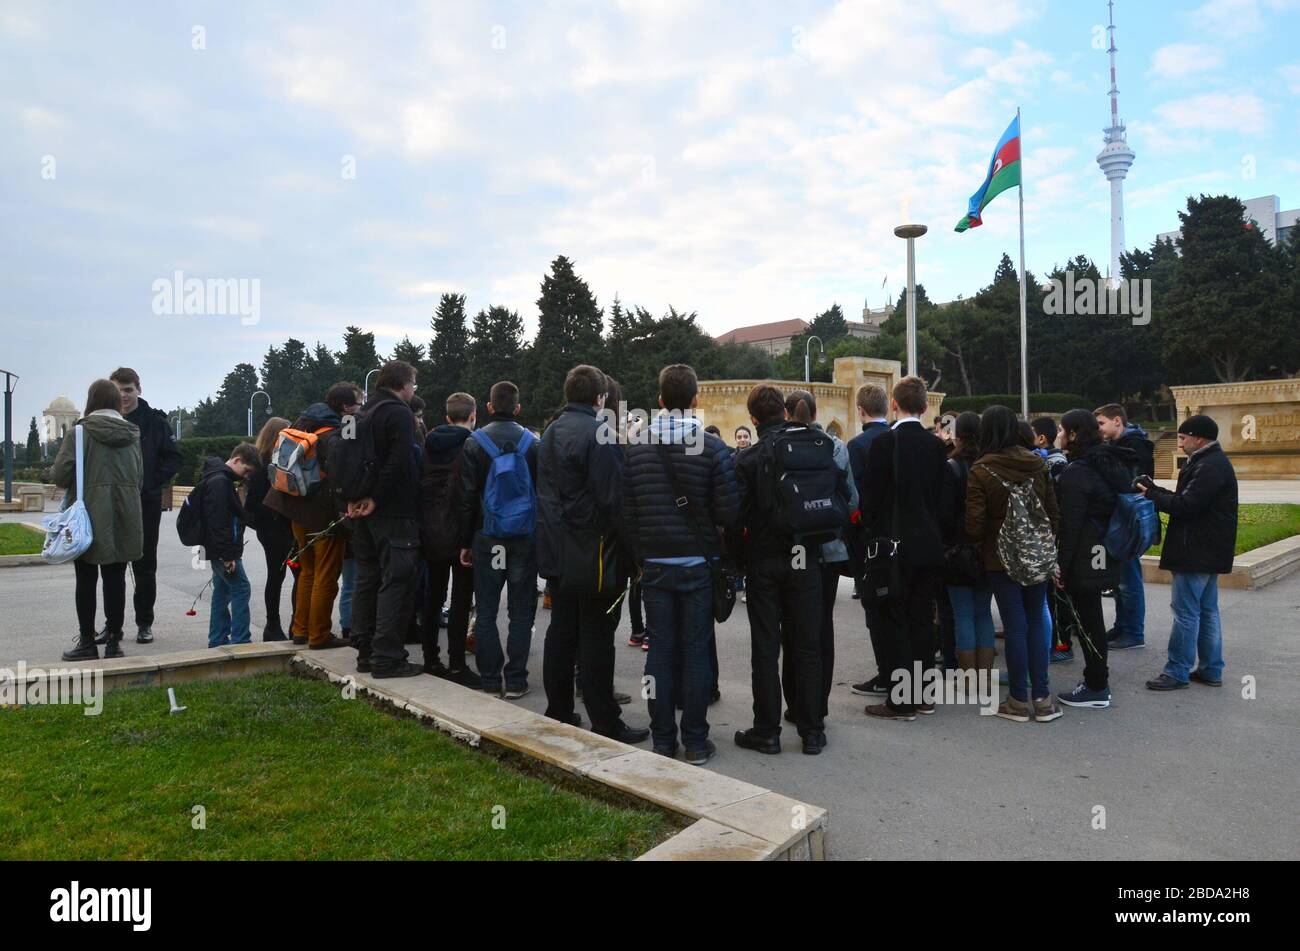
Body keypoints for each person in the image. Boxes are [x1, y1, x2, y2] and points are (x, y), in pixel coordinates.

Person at [622, 365, 739, 764]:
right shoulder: (711, 447)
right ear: (695, 401)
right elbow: (728, 510)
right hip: (697, 563)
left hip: (654, 564)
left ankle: (661, 738)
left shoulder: (635, 447)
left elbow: (627, 511)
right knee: (695, 651)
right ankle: (695, 740)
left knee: (659, 652)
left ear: (659, 401)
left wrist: (641, 553)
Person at [537, 365, 649, 743]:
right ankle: (605, 719)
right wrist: (636, 557)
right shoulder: (601, 433)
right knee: (597, 637)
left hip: (557, 546)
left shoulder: (551, 430)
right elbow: (613, 502)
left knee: (562, 632)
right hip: (595, 551)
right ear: (601, 398)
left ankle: (559, 711)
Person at [729, 385, 841, 755]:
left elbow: (735, 515)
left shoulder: (748, 458)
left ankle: (767, 730)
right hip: (804, 553)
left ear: (754, 419)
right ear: (785, 411)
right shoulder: (815, 443)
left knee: (765, 645)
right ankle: (812, 730)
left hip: (764, 557)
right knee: (807, 644)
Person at [859, 376, 951, 722]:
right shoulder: (935, 446)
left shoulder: (884, 444)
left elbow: (870, 499)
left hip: (893, 546)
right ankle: (924, 695)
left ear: (894, 405)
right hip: (928, 544)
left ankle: (901, 701)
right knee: (922, 620)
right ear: (926, 407)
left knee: (893, 620)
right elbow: (942, 500)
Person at [966, 405, 1061, 723]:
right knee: (1036, 620)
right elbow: (1052, 511)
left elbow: (974, 523)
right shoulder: (1038, 463)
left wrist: (983, 544)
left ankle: (1018, 700)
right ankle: (1042, 699)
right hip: (1036, 556)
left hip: (999, 558)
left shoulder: (981, 469)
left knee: (1015, 626)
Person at [1138, 415, 1237, 691]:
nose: (1179, 443)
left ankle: (1177, 671)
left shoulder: (1210, 466)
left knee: (1187, 613)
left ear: (1199, 438)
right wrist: (1155, 489)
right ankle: (1210, 669)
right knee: (1206, 611)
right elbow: (1188, 499)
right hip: (1206, 550)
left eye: (1183, 438)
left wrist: (1152, 496)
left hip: (1196, 550)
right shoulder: (1209, 462)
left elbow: (1187, 505)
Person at [458, 381, 539, 699]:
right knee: (521, 611)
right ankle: (516, 679)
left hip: (488, 537)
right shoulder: (532, 443)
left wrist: (465, 541)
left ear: (489, 407)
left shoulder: (474, 443)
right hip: (523, 537)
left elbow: (466, 497)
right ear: (518, 409)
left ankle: (490, 678)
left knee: (487, 610)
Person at [781, 389, 857, 724]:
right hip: (828, 549)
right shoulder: (835, 446)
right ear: (816, 414)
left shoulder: (778, 446)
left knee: (793, 626)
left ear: (787, 414)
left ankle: (795, 702)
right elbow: (852, 500)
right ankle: (818, 705)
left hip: (792, 549)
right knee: (821, 626)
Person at [1053, 410, 1137, 709]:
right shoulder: (1104, 462)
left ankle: (1097, 686)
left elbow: (1071, 525)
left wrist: (1060, 565)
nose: (1059, 435)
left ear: (1074, 434)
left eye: (1062, 430)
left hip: (1084, 556)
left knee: (1088, 622)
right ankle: (1096, 680)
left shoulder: (1078, 472)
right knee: (1094, 620)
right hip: (1102, 552)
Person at [346, 360, 424, 678]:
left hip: (360, 513)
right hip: (392, 512)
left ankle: (364, 651)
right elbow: (399, 461)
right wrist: (375, 497)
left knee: (367, 579)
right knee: (397, 581)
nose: (413, 391)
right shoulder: (398, 413)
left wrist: (352, 499)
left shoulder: (362, 413)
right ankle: (387, 657)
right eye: (413, 385)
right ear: (404, 384)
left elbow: (346, 461)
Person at [56, 380, 144, 661]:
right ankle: (114, 642)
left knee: (86, 579)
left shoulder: (79, 433)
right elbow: (139, 477)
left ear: (91, 400)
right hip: (124, 515)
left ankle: (86, 642)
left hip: (88, 516)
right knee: (115, 578)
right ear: (117, 402)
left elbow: (60, 475)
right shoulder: (132, 434)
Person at [107, 368, 182, 645]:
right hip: (112, 506)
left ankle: (144, 623)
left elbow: (174, 459)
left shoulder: (154, 422)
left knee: (144, 567)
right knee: (112, 568)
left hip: (145, 505)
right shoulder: (105, 421)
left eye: (128, 389)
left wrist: (151, 484)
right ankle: (112, 626)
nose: (124, 395)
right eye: (118, 390)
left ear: (138, 389)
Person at [265, 400, 348, 650]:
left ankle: (300, 630)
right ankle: (320, 634)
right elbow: (340, 477)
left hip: (295, 514)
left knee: (307, 572)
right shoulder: (332, 438)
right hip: (323, 517)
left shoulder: (300, 431)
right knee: (326, 575)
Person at [418, 391, 481, 686]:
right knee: (460, 600)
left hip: (430, 529)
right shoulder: (474, 445)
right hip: (460, 531)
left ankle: (431, 658)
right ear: (473, 415)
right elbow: (472, 495)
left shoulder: (426, 443)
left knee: (433, 598)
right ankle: (457, 665)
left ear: (446, 417)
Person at [1096, 403, 1154, 651]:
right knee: (1121, 578)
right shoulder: (1122, 445)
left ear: (1117, 421)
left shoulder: (1134, 446)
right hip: (1123, 518)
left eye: (1101, 423)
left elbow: (1131, 483)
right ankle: (1123, 626)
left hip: (1129, 520)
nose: (1098, 429)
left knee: (1129, 579)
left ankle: (1133, 632)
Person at [847, 383, 892, 694]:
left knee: (876, 612)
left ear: (860, 411)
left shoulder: (858, 445)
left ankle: (886, 674)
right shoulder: (898, 438)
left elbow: (853, 497)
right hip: (902, 532)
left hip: (870, 538)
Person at [943, 411, 995, 682]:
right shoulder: (989, 465)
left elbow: (945, 511)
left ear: (957, 434)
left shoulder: (951, 467)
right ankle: (985, 674)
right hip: (986, 548)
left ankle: (967, 678)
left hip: (957, 550)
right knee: (983, 612)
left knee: (962, 613)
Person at [199, 443, 262, 648]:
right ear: (236, 460)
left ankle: (217, 639)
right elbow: (219, 522)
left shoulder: (217, 477)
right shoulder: (220, 482)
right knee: (241, 588)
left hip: (215, 546)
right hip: (222, 549)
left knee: (222, 591)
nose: (245, 476)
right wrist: (228, 555)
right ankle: (241, 639)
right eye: (246, 471)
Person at [243, 416, 295, 641]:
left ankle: (276, 624)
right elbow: (252, 506)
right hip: (277, 528)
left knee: (278, 575)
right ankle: (287, 624)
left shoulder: (261, 463)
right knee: (291, 573)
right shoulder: (269, 464)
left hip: (273, 529)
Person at [332, 383, 364, 639]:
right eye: (360, 403)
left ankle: (348, 625)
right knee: (352, 580)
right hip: (347, 513)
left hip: (336, 511)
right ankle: (349, 627)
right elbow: (349, 461)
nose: (362, 408)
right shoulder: (348, 427)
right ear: (346, 407)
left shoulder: (324, 426)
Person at [1032, 416, 1069, 483]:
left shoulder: (1058, 463)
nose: (1029, 436)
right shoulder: (1036, 456)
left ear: (1041, 439)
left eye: (1032, 433)